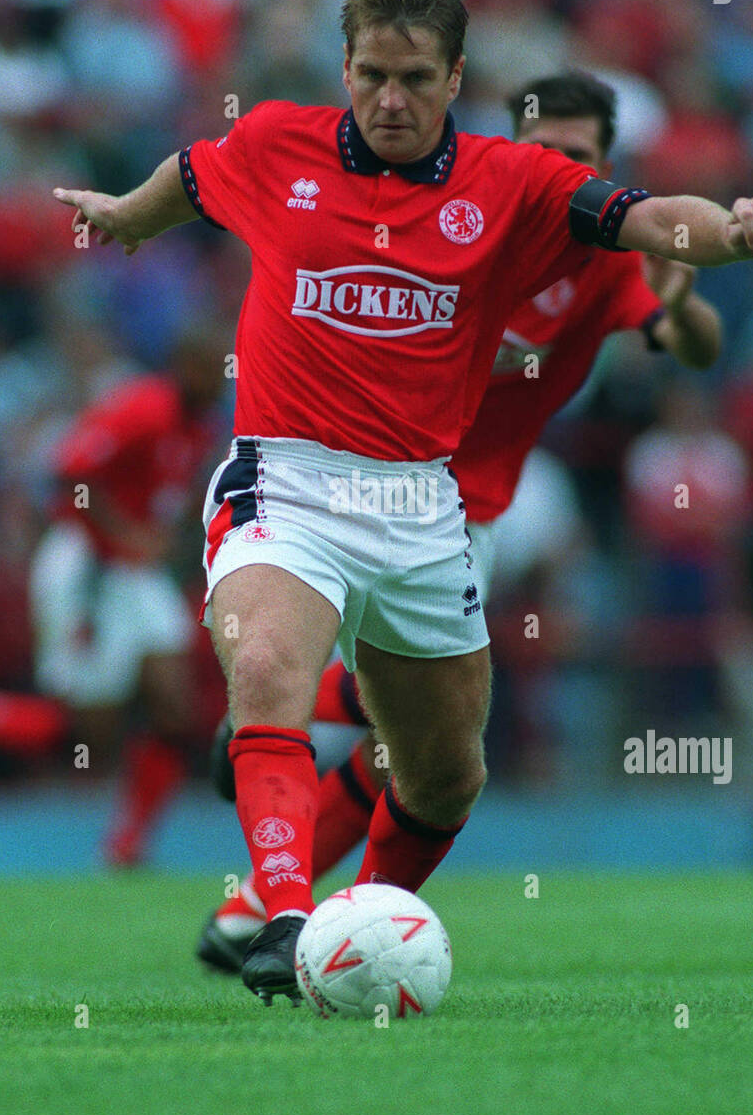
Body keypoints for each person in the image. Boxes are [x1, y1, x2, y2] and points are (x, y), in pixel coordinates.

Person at [52, 0, 753, 1004]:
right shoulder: (276, 144)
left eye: (412, 78)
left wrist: (732, 230)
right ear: (344, 68)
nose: (387, 100)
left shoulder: (514, 183)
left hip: (423, 504)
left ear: (455, 77)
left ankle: (361, 928)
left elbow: (644, 220)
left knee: (444, 770)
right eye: (368, 75)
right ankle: (281, 916)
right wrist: (129, 216)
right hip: (288, 478)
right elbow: (194, 168)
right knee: (263, 660)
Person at [196, 69, 725, 974]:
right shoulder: (463, 218)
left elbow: (693, 347)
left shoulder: (606, 263)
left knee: (421, 741)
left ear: (604, 166)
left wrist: (679, 301)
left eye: (580, 156)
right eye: (544, 149)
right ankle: (273, 885)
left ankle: (263, 899)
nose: (558, 166)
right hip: (360, 485)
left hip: (459, 512)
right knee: (395, 725)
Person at [0, 327, 228, 864]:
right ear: (183, 363)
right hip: (85, 564)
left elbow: (172, 496)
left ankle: (127, 846)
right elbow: (68, 474)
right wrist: (124, 537)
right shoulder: (142, 407)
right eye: (214, 367)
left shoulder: (200, 424)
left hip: (135, 576)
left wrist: (169, 539)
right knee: (83, 728)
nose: (223, 380)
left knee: (173, 703)